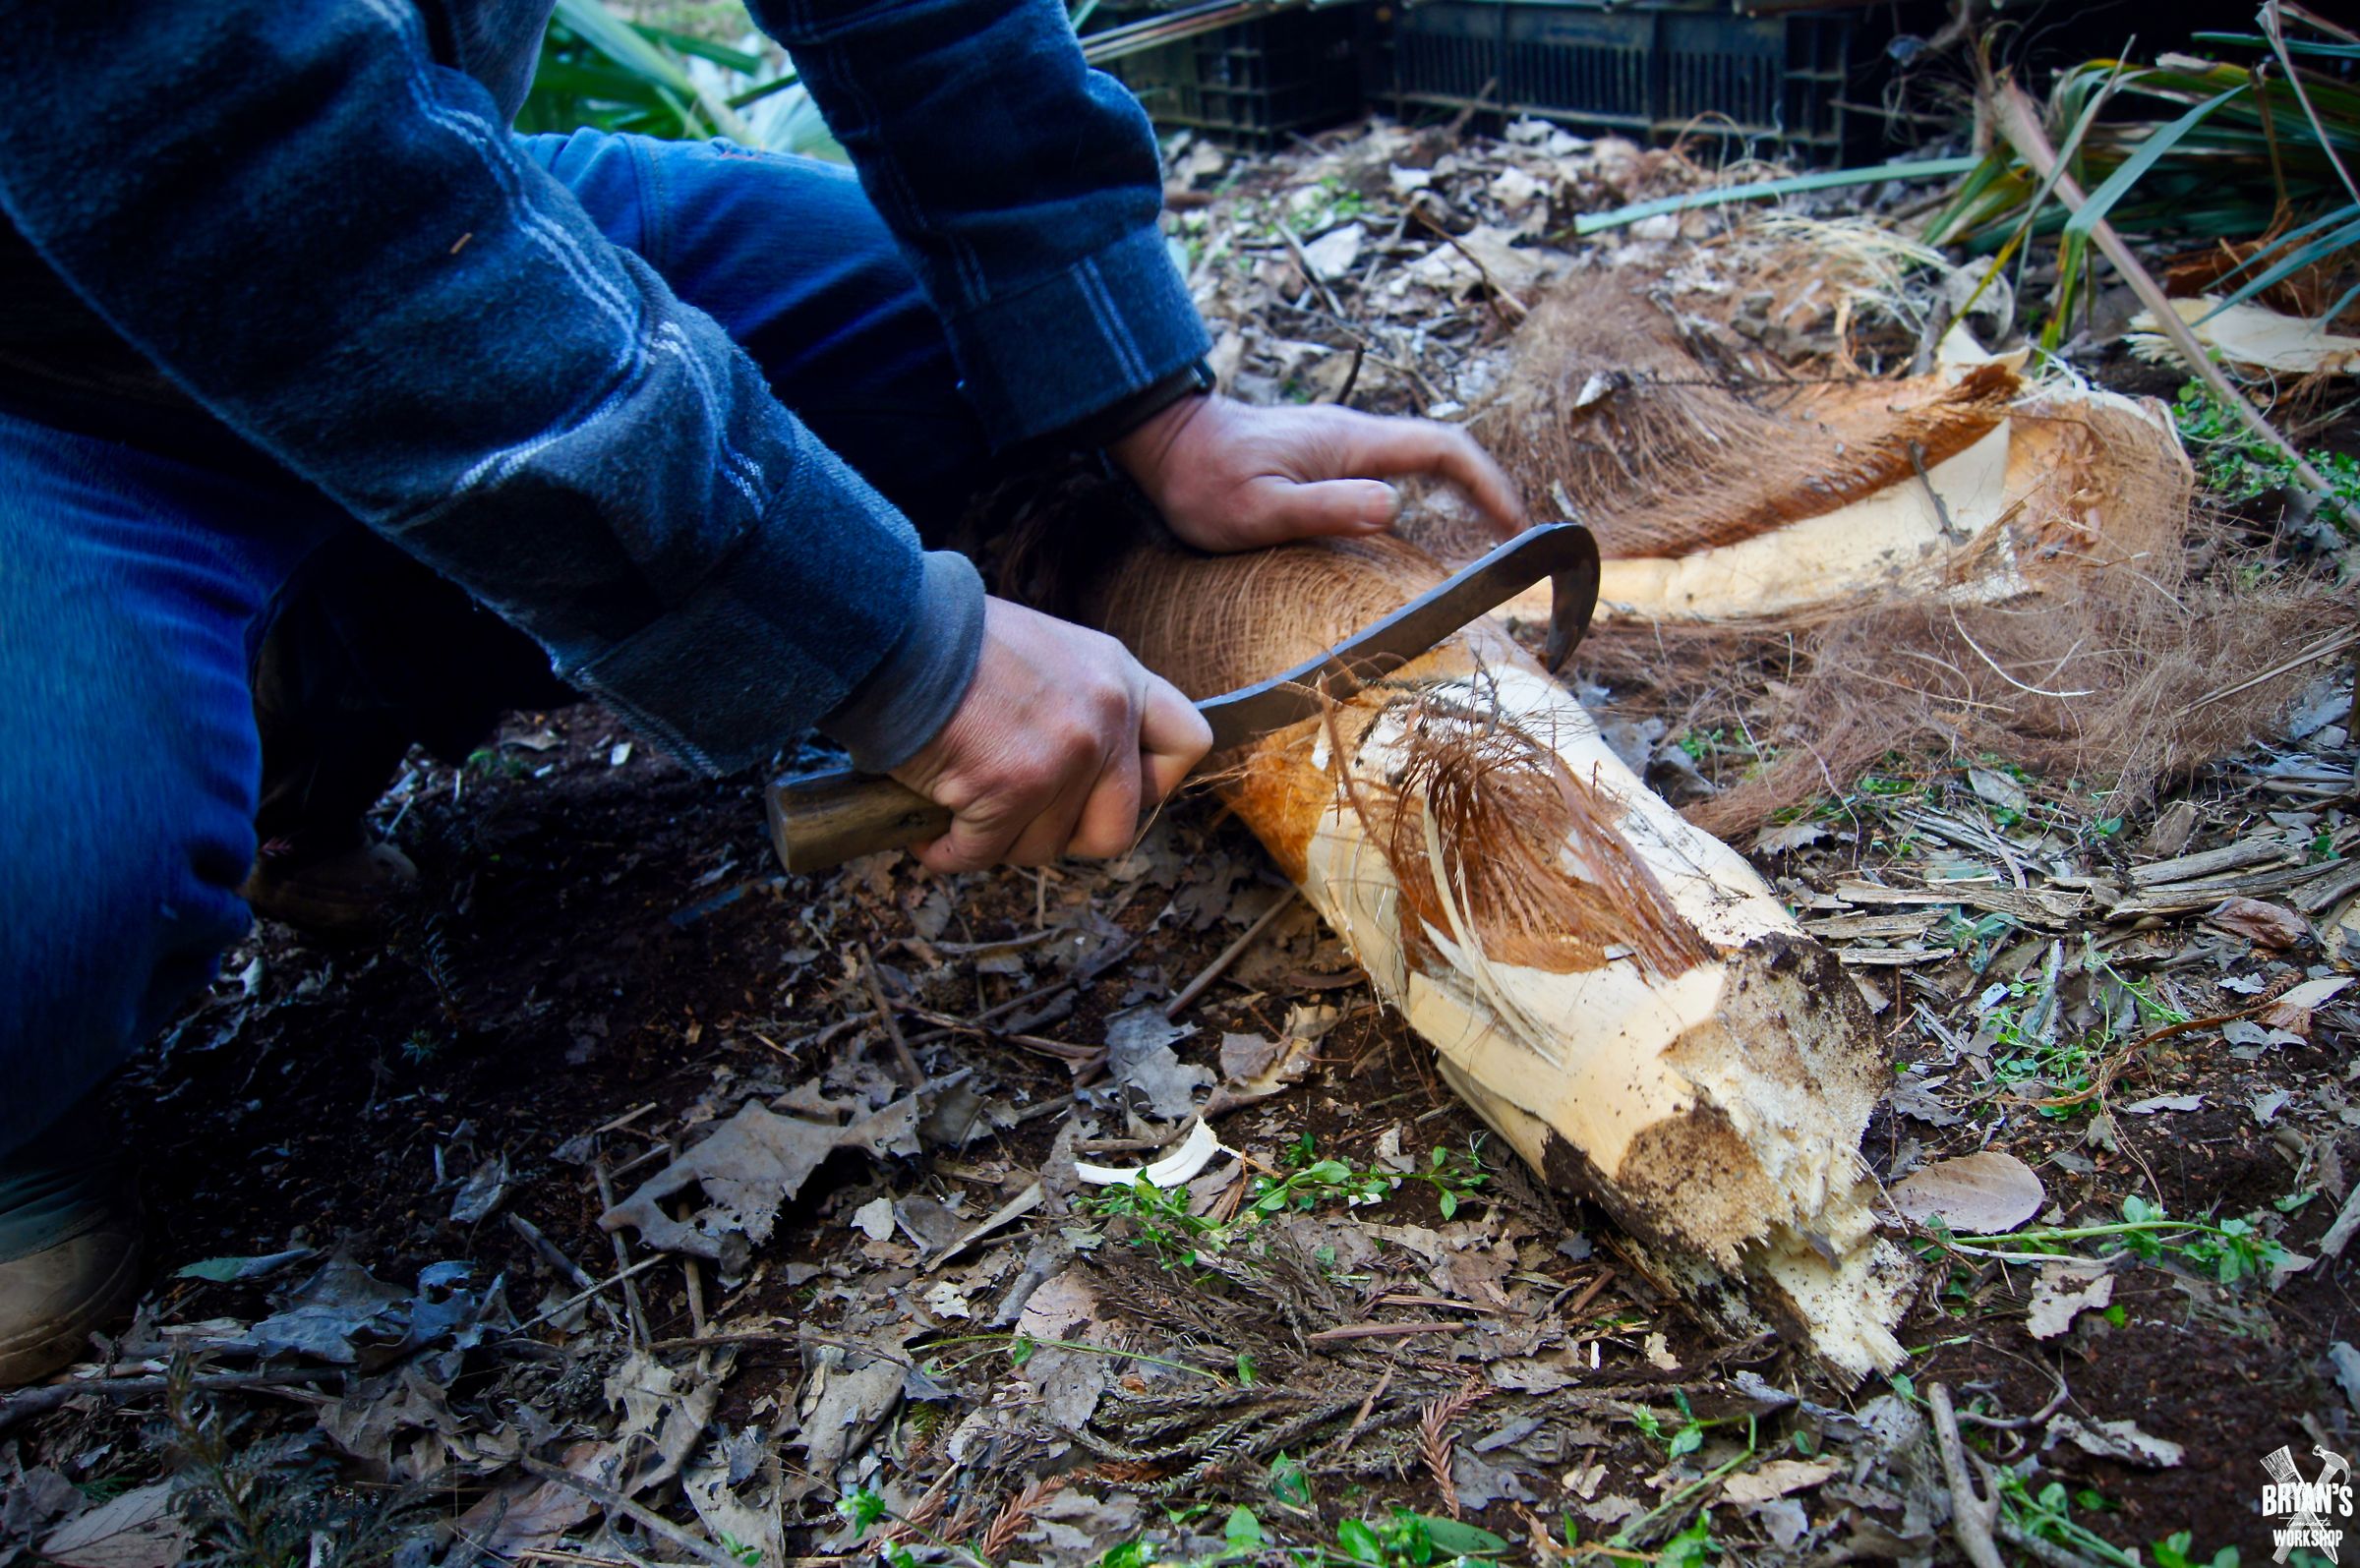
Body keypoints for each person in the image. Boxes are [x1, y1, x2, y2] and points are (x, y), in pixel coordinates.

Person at [0, 0, 1522, 1386]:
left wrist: (1141, 393)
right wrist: (890, 648)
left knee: (957, 370)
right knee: (57, 883)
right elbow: (222, 150)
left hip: (424, 208)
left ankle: (324, 664)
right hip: (62, 355)